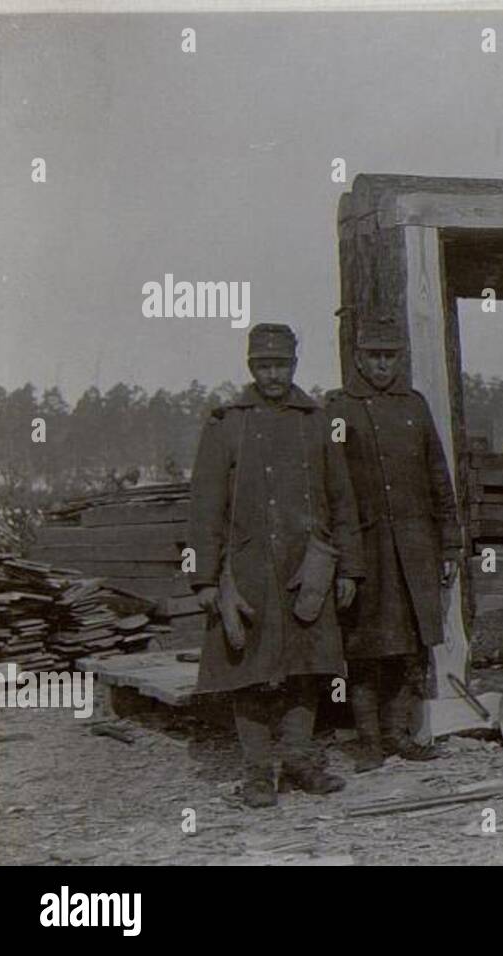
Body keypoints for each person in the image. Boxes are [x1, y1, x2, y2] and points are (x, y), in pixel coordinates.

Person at [188, 323, 363, 807]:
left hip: (306, 569)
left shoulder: (317, 420)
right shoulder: (227, 423)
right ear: (251, 368)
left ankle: (301, 760)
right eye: (263, 366)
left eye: (280, 365)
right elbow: (204, 505)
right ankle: (259, 773)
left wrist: (348, 568)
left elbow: (342, 498)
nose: (273, 375)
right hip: (246, 572)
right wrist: (203, 577)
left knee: (305, 668)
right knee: (249, 670)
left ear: (294, 365)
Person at [325, 314, 461, 772]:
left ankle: (400, 733)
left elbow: (439, 477)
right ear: (358, 359)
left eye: (390, 357)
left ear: (400, 359)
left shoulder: (414, 406)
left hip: (415, 546)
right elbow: (329, 482)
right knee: (365, 647)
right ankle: (368, 741)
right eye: (373, 357)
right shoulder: (339, 410)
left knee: (408, 644)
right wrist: (342, 557)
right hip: (366, 549)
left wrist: (450, 544)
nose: (382, 366)